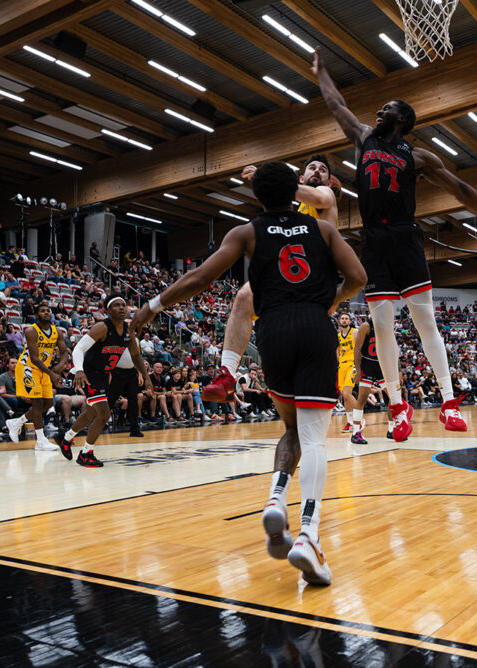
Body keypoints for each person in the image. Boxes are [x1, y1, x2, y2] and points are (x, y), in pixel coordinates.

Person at [130, 161, 366, 586]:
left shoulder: (247, 232)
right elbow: (358, 277)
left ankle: (276, 498)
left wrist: (150, 308)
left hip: (273, 330)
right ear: (295, 193)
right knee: (313, 438)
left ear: (257, 196)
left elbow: (200, 278)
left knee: (291, 427)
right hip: (315, 326)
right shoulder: (324, 230)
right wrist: (330, 300)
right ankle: (308, 536)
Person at [313, 47, 477, 441]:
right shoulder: (362, 137)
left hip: (406, 236)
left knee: (427, 323)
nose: (378, 111)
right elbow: (336, 104)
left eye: (386, 107)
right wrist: (322, 72)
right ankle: (397, 406)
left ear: (402, 118)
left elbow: (459, 187)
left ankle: (448, 401)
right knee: (383, 327)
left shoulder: (417, 154)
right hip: (374, 239)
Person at [200, 154, 342, 403]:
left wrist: (269, 178)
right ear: (300, 178)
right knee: (244, 296)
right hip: (288, 282)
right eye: (311, 168)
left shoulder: (326, 196)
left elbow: (319, 197)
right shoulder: (291, 211)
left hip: (316, 285)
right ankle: (227, 375)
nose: (317, 172)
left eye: (322, 170)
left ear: (330, 181)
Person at [58, 295, 153, 467]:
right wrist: (79, 369)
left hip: (104, 374)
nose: (122, 308)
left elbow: (136, 356)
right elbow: (79, 348)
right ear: (108, 310)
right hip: (88, 372)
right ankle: (86, 453)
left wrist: (146, 377)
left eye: (124, 305)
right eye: (116, 305)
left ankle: (66, 438)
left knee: (93, 413)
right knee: (104, 414)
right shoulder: (101, 327)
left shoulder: (128, 331)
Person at [5, 304, 69, 451]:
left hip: (44, 369)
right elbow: (34, 358)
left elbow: (65, 352)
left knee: (47, 404)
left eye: (48, 310)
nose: (46, 313)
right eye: (42, 311)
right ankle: (40, 441)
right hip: (28, 367)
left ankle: (17, 422)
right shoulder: (31, 331)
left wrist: (59, 368)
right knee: (38, 405)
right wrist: (52, 374)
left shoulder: (56, 331)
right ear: (36, 315)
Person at [334, 312, 357, 433]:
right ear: (339, 321)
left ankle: (359, 418)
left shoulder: (354, 332)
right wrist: (338, 361)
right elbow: (337, 350)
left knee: (348, 393)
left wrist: (358, 365)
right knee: (345, 396)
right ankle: (350, 422)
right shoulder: (337, 336)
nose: (344, 320)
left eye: (346, 318)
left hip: (352, 365)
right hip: (342, 366)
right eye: (342, 318)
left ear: (349, 321)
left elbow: (359, 348)